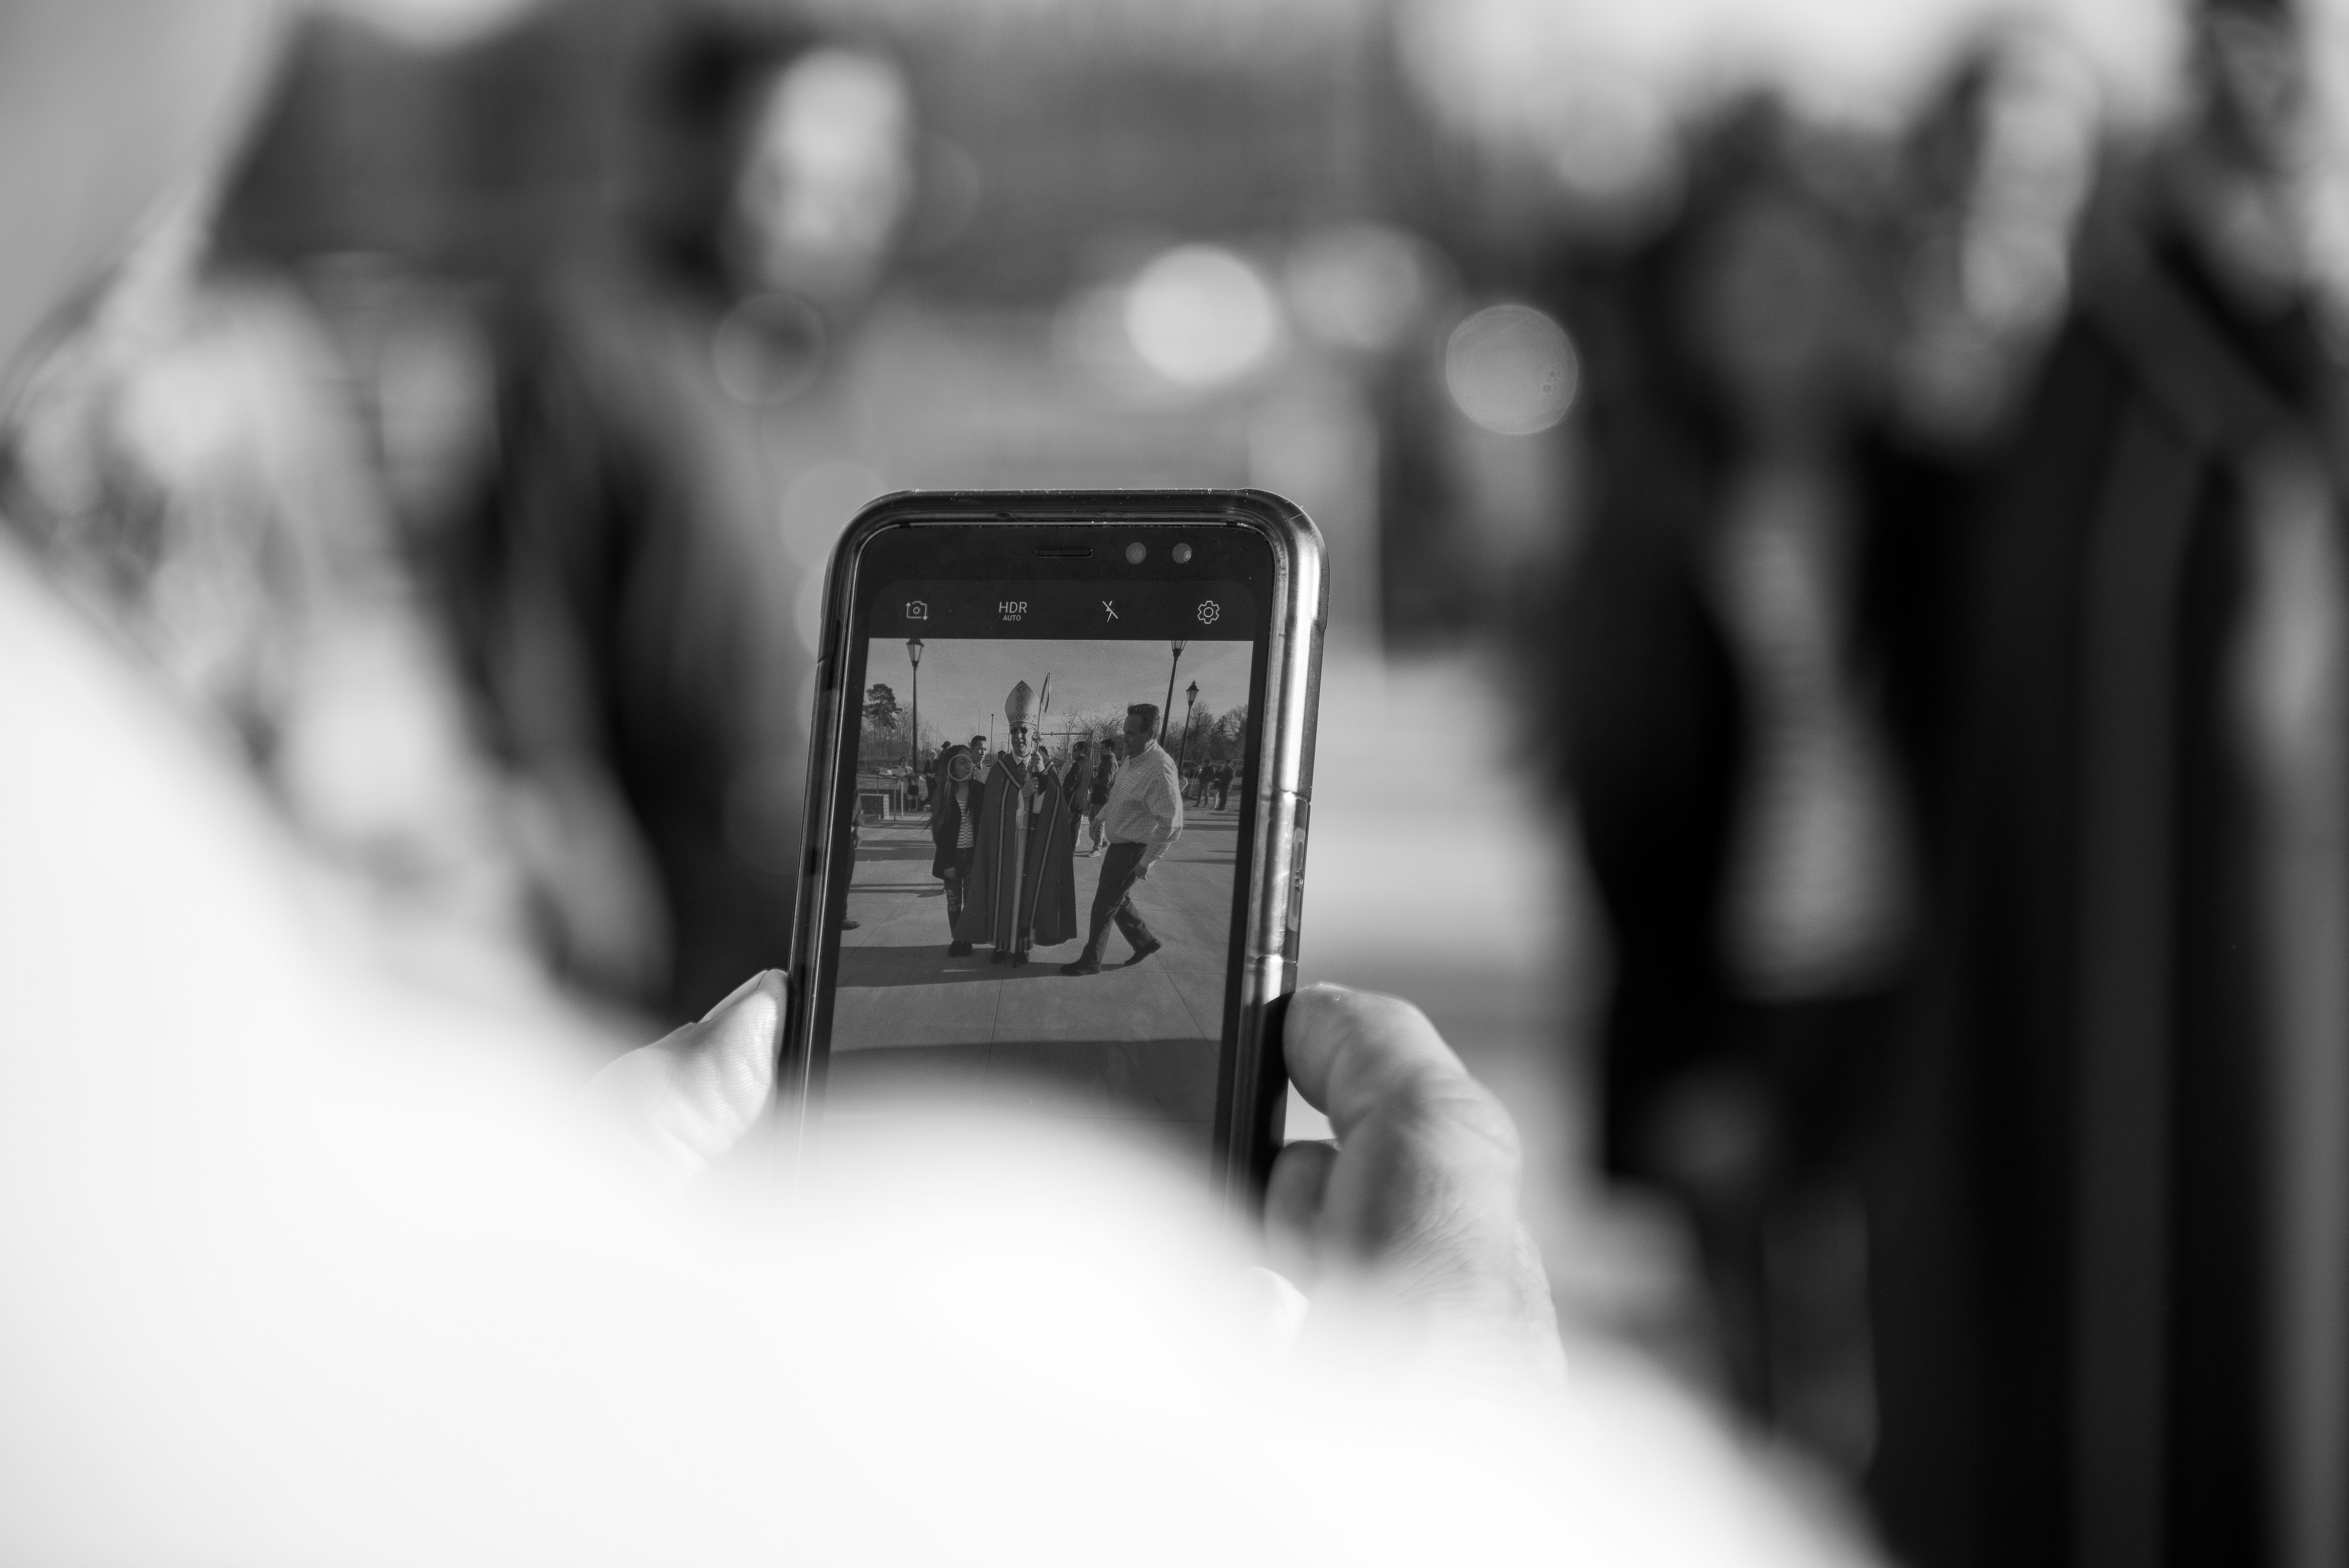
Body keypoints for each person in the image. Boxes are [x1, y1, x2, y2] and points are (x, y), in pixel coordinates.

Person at [952, 681, 1078, 964]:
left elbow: (1057, 808)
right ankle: (1001, 944)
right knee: (1004, 891)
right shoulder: (999, 770)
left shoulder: (1045, 764)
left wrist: (1044, 778)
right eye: (1014, 731)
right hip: (1006, 844)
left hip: (1034, 843)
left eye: (1024, 731)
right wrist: (1020, 797)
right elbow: (992, 813)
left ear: (1033, 733)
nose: (1019, 736)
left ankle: (1022, 946)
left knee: (1027, 894)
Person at [1062, 703, 1182, 976]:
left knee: (1104, 905)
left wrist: (1148, 861)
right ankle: (1145, 942)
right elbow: (1117, 796)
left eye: (1130, 733)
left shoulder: (1160, 769)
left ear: (1149, 732)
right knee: (1117, 898)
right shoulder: (1133, 758)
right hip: (1120, 844)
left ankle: (1091, 961)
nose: (1124, 738)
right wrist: (1100, 818)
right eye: (1124, 731)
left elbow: (1172, 823)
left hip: (1133, 849)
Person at [930, 745, 980, 955]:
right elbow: (939, 835)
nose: (968, 764)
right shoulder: (944, 793)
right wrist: (947, 863)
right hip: (953, 858)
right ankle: (956, 939)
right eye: (962, 761)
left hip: (973, 856)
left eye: (970, 760)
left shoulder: (980, 790)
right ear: (952, 766)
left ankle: (966, 939)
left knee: (970, 903)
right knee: (953, 902)